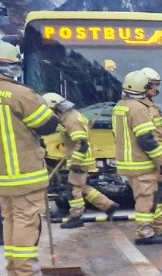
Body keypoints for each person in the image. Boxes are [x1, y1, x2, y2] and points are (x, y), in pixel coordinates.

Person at [0, 41, 62, 276]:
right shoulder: (20, 94)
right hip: (24, 170)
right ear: (12, 66)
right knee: (26, 221)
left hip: (0, 173)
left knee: (11, 221)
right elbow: (48, 124)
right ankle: (27, 275)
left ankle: (14, 271)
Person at [113, 70, 162, 245]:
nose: (151, 89)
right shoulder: (139, 108)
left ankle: (153, 227)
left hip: (129, 160)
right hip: (140, 162)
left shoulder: (120, 106)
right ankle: (144, 233)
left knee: (145, 195)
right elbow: (146, 139)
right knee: (145, 197)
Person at [42, 93, 118, 229]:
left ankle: (76, 217)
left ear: (55, 108)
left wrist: (76, 162)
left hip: (80, 160)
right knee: (82, 187)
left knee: (72, 189)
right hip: (80, 158)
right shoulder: (68, 117)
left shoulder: (71, 120)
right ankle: (108, 205)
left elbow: (82, 143)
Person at [136, 67, 162, 235]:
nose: (157, 89)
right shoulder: (141, 107)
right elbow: (145, 135)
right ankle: (153, 226)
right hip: (152, 158)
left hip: (159, 157)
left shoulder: (152, 106)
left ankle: (158, 223)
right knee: (151, 193)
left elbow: (155, 130)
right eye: (154, 85)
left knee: (161, 189)